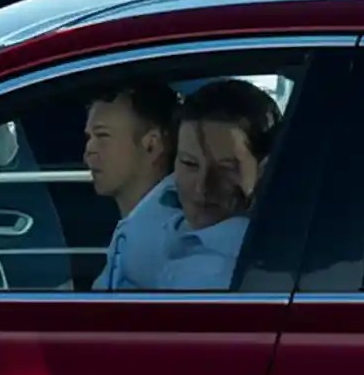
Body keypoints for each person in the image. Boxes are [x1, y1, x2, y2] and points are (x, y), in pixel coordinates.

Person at [100, 78, 281, 291]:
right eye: (189, 163)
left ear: (264, 169)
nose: (202, 188)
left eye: (226, 168)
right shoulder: (158, 207)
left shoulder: (243, 266)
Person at [83, 80, 180, 290]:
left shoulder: (163, 240)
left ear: (152, 144)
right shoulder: (141, 227)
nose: (89, 149)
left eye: (103, 136)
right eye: (89, 137)